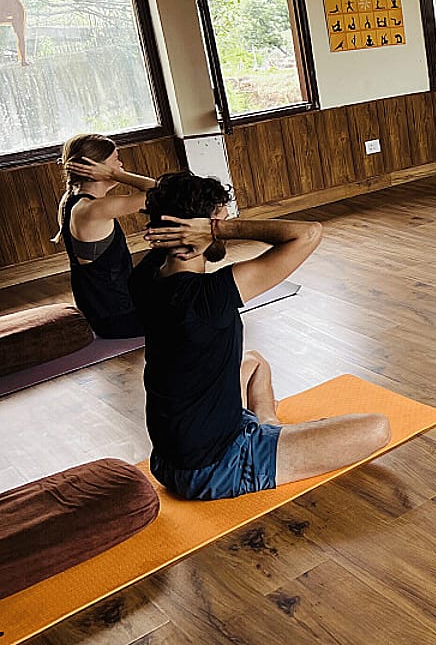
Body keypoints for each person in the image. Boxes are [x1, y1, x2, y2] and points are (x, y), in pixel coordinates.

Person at [131, 171, 389, 501]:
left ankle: (268, 426)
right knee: (377, 428)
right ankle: (266, 445)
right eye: (218, 222)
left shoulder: (144, 276)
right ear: (198, 228)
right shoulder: (209, 296)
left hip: (168, 461)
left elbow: (163, 195)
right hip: (214, 467)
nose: (220, 230)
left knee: (254, 363)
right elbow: (308, 234)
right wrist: (218, 230)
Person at [51, 134, 157, 338]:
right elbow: (163, 192)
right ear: (95, 168)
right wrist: (116, 175)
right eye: (115, 159)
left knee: (163, 252)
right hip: (121, 318)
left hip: (104, 314)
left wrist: (111, 171)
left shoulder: (71, 200)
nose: (121, 164)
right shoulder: (93, 208)